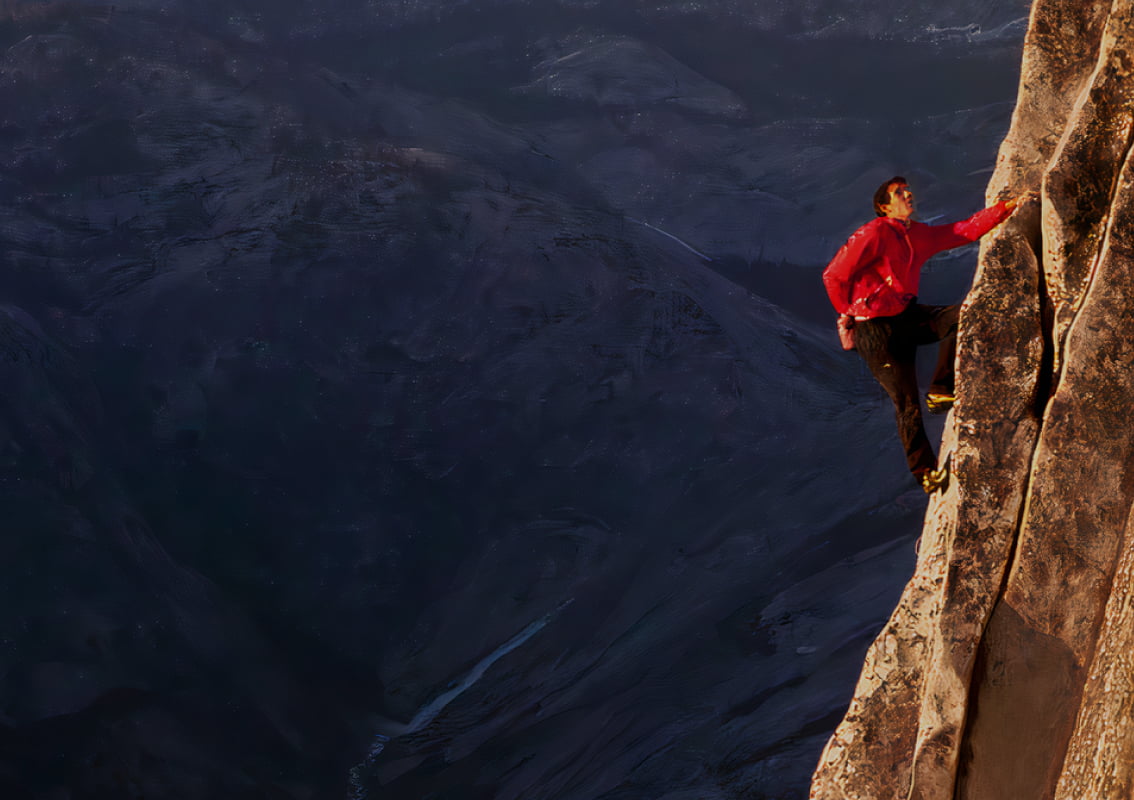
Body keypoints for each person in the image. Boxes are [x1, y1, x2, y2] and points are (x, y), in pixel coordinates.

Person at [822, 176, 1026, 494]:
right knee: (906, 404)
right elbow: (834, 275)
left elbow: (963, 231)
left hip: (906, 316)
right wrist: (847, 311)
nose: (908, 194)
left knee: (967, 314)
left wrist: (1004, 208)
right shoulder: (873, 232)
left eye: (907, 190)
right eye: (899, 193)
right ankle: (925, 472)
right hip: (876, 332)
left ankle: (941, 388)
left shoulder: (916, 235)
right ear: (884, 207)